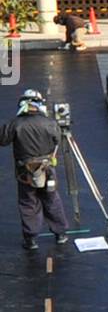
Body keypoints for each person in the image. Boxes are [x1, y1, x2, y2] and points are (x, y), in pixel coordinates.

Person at [0, 90, 69, 250]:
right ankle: (61, 234)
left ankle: (31, 239)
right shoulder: (50, 123)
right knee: (52, 200)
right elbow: (58, 139)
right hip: (47, 169)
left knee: (28, 203)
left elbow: (3, 140)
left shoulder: (15, 123)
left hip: (25, 172)